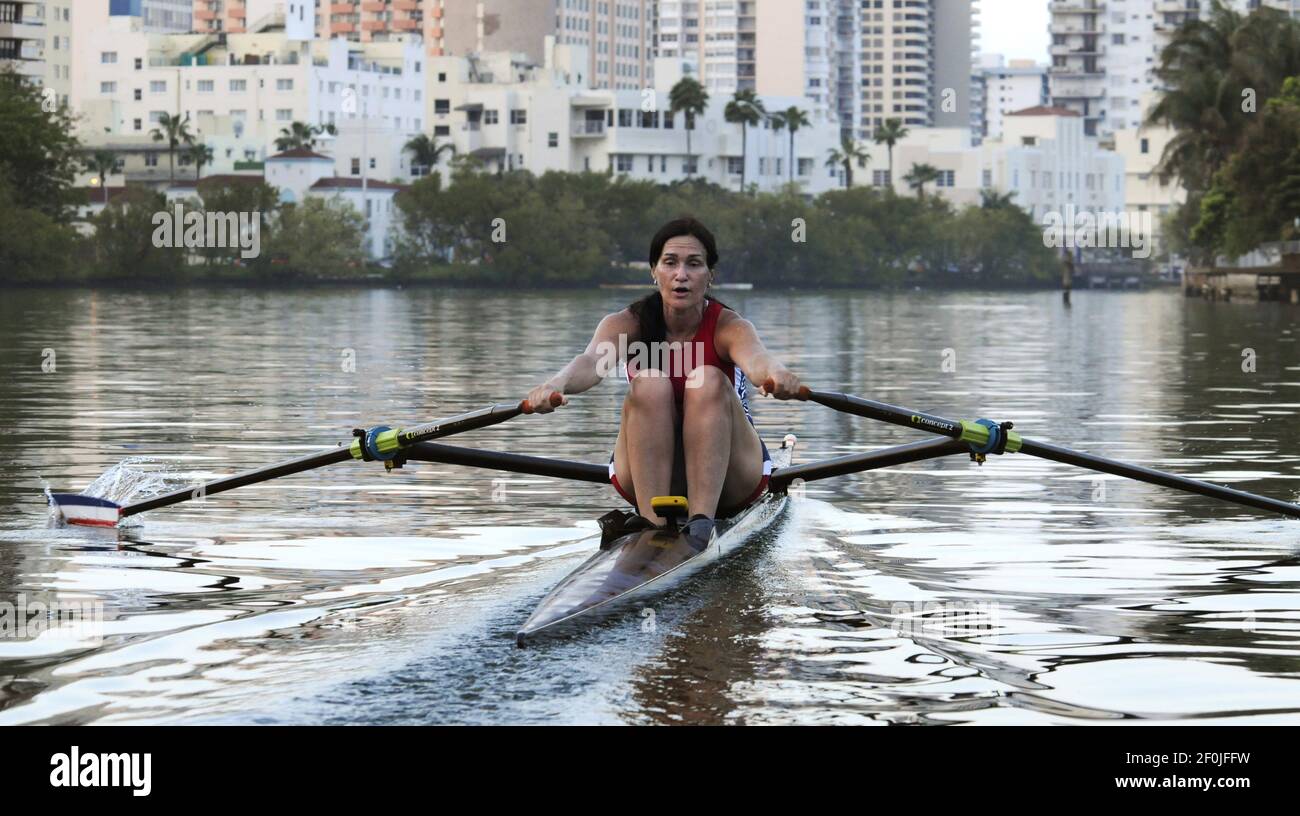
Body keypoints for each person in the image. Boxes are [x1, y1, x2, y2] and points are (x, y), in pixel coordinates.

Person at [526, 216, 801, 549]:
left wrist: (777, 373)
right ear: (654, 271)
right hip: (647, 472)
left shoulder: (729, 326)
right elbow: (590, 363)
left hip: (730, 476)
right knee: (650, 382)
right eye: (670, 263)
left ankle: (701, 525)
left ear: (710, 276)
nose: (681, 275)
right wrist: (556, 384)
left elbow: (758, 360)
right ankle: (651, 527)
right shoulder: (628, 323)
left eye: (694, 264)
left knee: (706, 379)